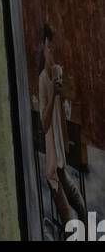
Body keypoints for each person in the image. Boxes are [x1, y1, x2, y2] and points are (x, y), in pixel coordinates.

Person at [38, 24, 86, 228]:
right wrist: (53, 95)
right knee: (70, 222)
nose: (52, 53)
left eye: (53, 49)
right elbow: (44, 123)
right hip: (53, 170)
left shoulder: (56, 71)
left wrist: (62, 93)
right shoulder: (42, 80)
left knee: (82, 210)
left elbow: (64, 113)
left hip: (61, 162)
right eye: (50, 49)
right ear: (43, 48)